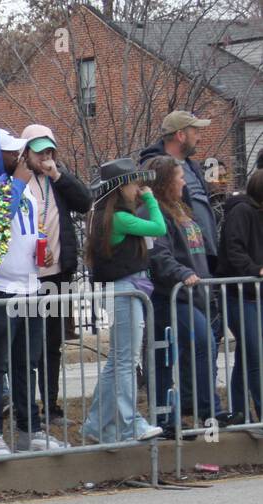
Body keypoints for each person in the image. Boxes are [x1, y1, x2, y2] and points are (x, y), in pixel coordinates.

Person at [0, 128, 64, 454]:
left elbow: (32, 229)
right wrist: (18, 183)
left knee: (26, 363)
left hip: (29, 288)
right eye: (11, 151)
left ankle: (28, 429)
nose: (18, 156)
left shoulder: (24, 189)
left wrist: (41, 248)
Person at [79, 158, 167, 445]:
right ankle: (130, 425)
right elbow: (158, 227)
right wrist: (152, 200)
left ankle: (95, 425)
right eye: (133, 183)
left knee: (117, 362)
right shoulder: (118, 217)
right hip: (125, 290)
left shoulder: (107, 215)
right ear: (120, 188)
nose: (138, 188)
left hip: (122, 289)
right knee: (126, 362)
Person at [144, 154, 225, 431]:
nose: (183, 182)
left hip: (194, 294)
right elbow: (158, 255)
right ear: (166, 181)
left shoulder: (180, 207)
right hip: (171, 295)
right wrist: (182, 274)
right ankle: (167, 417)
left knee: (201, 347)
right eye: (179, 177)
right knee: (174, 351)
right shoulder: (151, 210)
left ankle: (203, 409)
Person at [21, 124, 93, 422]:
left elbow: (85, 201)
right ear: (25, 152)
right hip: (26, 276)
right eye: (39, 152)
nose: (45, 157)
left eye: (49, 151)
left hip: (56, 273)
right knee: (27, 346)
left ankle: (51, 406)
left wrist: (58, 175)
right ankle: (24, 408)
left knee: (52, 343)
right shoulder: (16, 181)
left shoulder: (57, 180)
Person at [139, 111, 219, 273]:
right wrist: (180, 272)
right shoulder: (155, 168)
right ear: (181, 135)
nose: (199, 138)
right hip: (181, 267)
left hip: (203, 258)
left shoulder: (193, 167)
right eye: (195, 132)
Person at [217, 167, 263, 421]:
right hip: (240, 295)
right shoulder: (242, 212)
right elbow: (234, 250)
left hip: (256, 294)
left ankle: (240, 412)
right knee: (255, 354)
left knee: (247, 354)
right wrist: (255, 270)